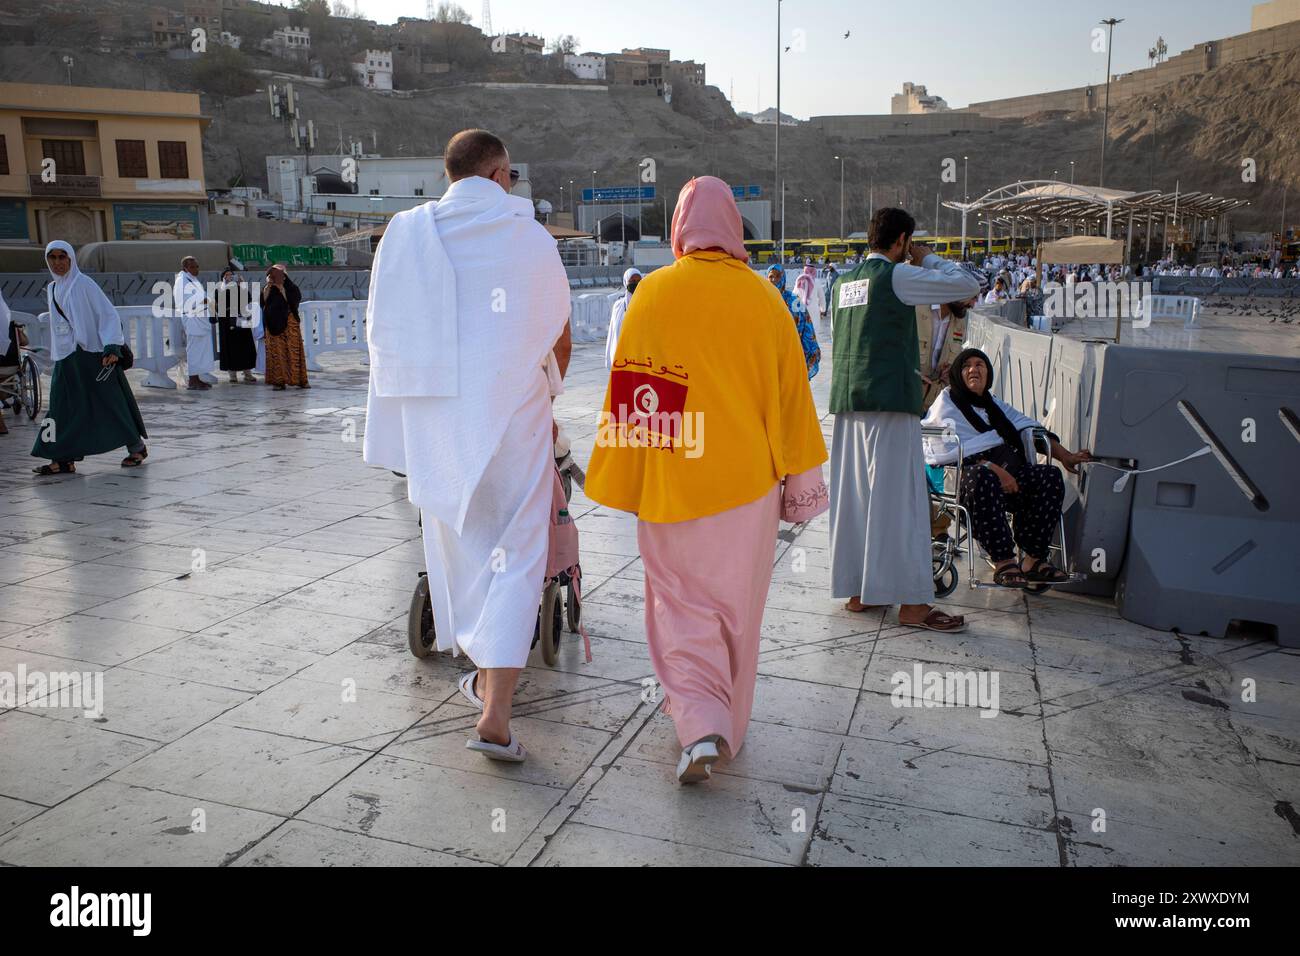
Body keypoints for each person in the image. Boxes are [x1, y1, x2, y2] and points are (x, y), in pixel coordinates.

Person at [586, 175, 828, 784]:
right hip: (748, 490)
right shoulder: (765, 299)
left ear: (680, 229)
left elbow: (639, 398)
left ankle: (699, 724)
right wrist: (800, 485)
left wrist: (632, 481)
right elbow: (792, 401)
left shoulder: (655, 292)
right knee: (736, 614)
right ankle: (727, 727)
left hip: (675, 484)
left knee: (678, 607)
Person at [364, 128, 571, 764]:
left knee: (458, 542)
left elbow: (382, 330)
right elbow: (558, 334)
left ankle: (481, 670)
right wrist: (546, 394)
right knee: (515, 552)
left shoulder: (407, 233)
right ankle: (496, 712)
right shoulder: (528, 237)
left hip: (436, 420)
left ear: (449, 173)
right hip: (513, 417)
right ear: (501, 172)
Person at [828, 207, 979, 630]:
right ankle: (913, 605)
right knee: (906, 504)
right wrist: (927, 257)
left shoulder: (843, 282)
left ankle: (860, 592)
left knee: (857, 502)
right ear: (901, 242)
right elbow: (967, 284)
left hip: (848, 406)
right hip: (890, 405)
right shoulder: (897, 275)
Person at [923, 348, 1092, 587]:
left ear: (988, 373)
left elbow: (1030, 429)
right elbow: (945, 451)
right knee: (983, 479)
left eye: (980, 364)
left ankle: (1033, 559)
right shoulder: (946, 405)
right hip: (962, 475)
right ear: (958, 374)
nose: (973, 369)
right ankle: (1004, 560)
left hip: (1005, 475)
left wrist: (1065, 456)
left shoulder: (996, 406)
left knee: (1049, 476)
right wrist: (993, 468)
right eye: (966, 365)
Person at [31, 241, 148, 474]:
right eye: (52, 258)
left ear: (71, 259)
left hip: (93, 356)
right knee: (59, 408)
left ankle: (136, 447)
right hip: (66, 357)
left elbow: (108, 315)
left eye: (62, 257)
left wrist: (111, 348)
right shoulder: (54, 288)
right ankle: (60, 457)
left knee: (110, 404)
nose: (57, 262)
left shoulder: (84, 284)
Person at [767, 264, 821, 379]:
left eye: (777, 277)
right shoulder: (762, 300)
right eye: (771, 277)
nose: (774, 280)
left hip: (791, 357)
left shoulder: (794, 302)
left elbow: (806, 329)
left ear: (783, 278)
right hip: (768, 360)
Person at [260, 264, 309, 390]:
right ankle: (278, 381)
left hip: (289, 324)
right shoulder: (268, 288)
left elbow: (294, 302)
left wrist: (282, 289)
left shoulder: (292, 288)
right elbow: (262, 302)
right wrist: (268, 288)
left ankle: (299, 380)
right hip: (272, 325)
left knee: (293, 351)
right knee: (276, 353)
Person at [174, 256, 214, 390]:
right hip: (192, 319)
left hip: (200, 318)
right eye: (192, 267)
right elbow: (186, 301)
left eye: (197, 266)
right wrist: (206, 300)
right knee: (194, 350)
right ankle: (193, 379)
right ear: (185, 267)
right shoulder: (182, 281)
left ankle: (198, 377)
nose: (196, 269)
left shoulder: (192, 279)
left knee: (201, 350)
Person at [212, 268, 258, 384]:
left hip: (241, 320)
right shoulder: (220, 289)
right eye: (227, 275)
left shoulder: (239, 287)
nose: (229, 277)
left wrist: (242, 286)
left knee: (245, 346)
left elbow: (248, 299)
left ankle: (248, 373)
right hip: (228, 323)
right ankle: (232, 375)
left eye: (231, 275)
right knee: (230, 348)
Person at [604, 267, 642, 368]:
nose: (636, 283)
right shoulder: (619, 305)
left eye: (639, 281)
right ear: (626, 282)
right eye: (632, 281)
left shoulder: (646, 302)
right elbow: (614, 330)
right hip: (622, 350)